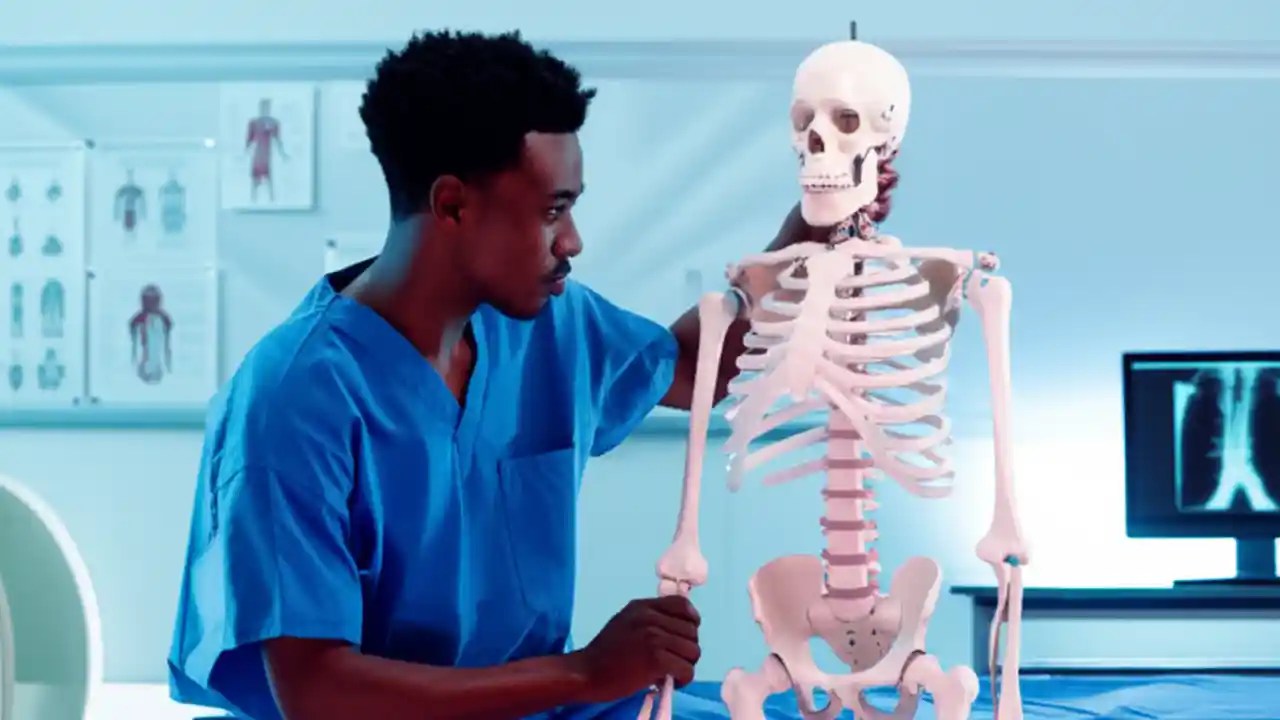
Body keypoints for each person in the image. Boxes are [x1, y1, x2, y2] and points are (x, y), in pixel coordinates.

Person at [167, 29, 825, 720]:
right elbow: (318, 692)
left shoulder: (546, 324)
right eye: (552, 211)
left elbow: (696, 366)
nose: (572, 241)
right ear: (452, 205)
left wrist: (813, 232)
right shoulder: (292, 400)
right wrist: (583, 675)